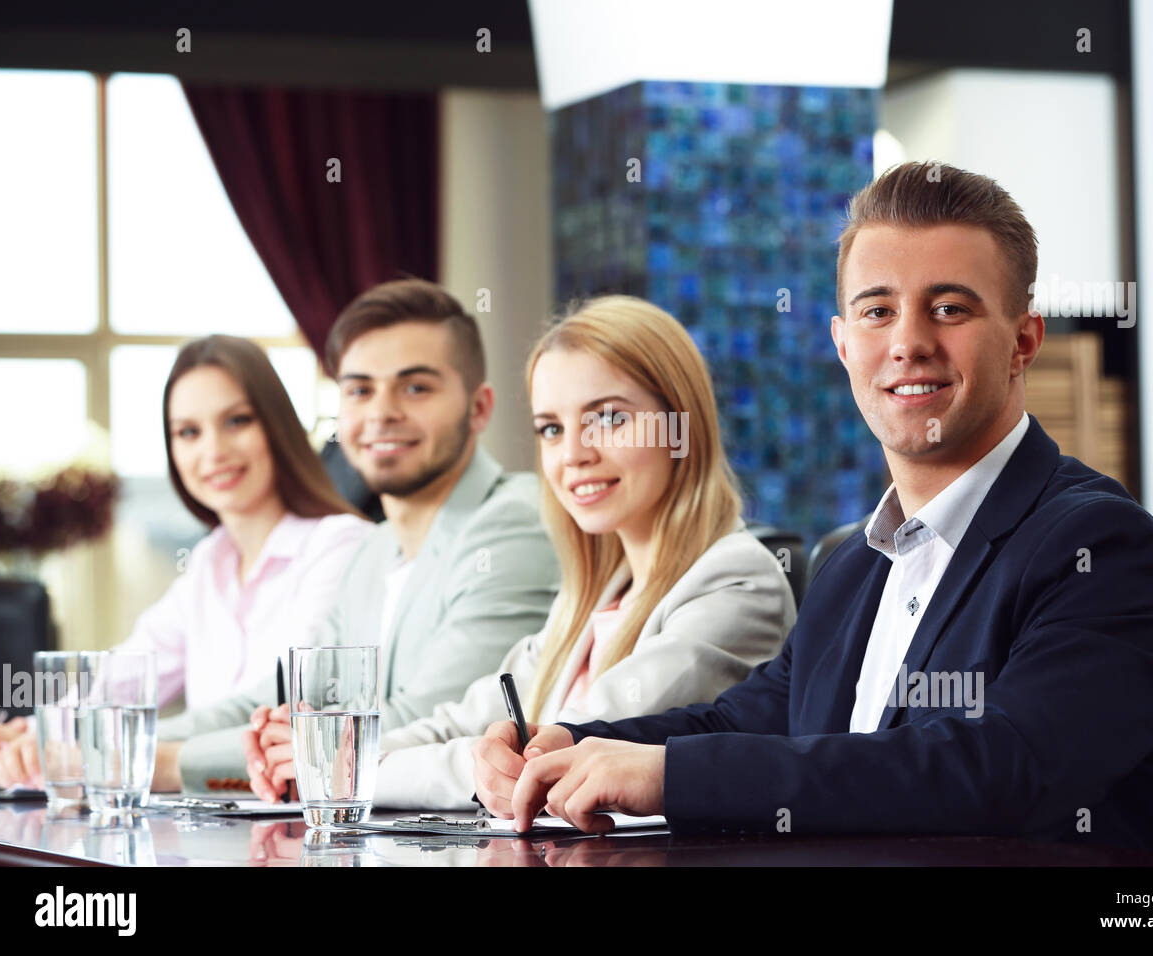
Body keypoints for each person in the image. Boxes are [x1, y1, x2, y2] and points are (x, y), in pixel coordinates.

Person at [480, 162, 1153, 854]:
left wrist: (673, 777)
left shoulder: (1099, 546)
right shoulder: (854, 563)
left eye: (949, 308)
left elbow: (1001, 768)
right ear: (842, 344)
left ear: (1024, 341)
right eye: (877, 311)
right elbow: (748, 719)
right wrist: (572, 743)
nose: (908, 343)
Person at [242, 296, 797, 808]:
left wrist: (348, 771)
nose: (573, 453)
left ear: (679, 426)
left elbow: (562, 755)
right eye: (551, 428)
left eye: (608, 418)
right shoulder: (591, 598)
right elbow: (464, 721)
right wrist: (324, 753)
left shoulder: (736, 581)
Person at [169, 278, 560, 795]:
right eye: (359, 390)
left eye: (415, 388)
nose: (381, 412)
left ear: (479, 408)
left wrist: (172, 764)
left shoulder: (514, 520)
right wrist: (121, 742)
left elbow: (426, 719)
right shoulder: (373, 549)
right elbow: (287, 695)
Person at [0, 335, 373, 789]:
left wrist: (88, 743)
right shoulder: (210, 560)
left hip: (298, 814)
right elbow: (125, 674)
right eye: (188, 432)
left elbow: (284, 701)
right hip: (218, 816)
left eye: (237, 421)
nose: (213, 451)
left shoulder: (340, 545)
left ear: (278, 426)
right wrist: (29, 734)